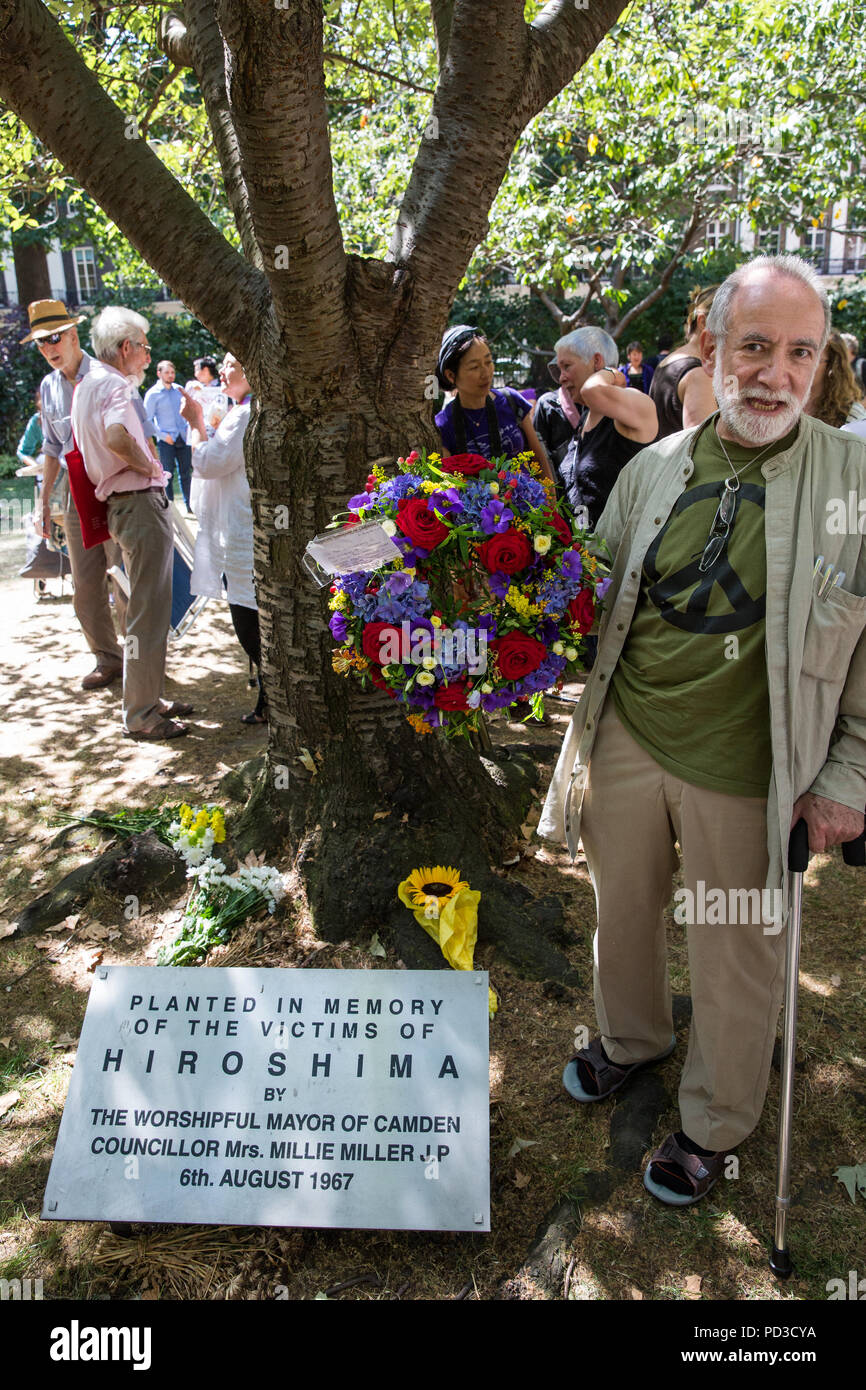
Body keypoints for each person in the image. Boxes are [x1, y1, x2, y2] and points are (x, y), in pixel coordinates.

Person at [539, 254, 866, 1206]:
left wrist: (848, 775)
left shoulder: (855, 485)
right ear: (712, 350)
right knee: (624, 913)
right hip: (629, 737)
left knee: (735, 952)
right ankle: (632, 1038)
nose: (776, 373)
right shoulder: (654, 469)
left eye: (800, 352)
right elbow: (587, 593)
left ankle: (716, 1120)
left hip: (753, 768)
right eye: (755, 347)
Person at [71, 307, 193, 741]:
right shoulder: (114, 385)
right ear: (126, 348)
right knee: (147, 612)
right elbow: (116, 437)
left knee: (145, 610)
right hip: (136, 503)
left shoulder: (87, 385)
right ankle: (141, 714)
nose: (147, 355)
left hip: (122, 506)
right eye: (143, 346)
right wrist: (151, 470)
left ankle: (148, 699)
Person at [22, 299, 128, 689]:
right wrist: (43, 504)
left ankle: (139, 660)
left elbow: (131, 434)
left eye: (54, 338)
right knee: (85, 584)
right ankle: (107, 658)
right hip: (71, 488)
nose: (49, 348)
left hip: (113, 484)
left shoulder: (104, 376)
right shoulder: (48, 387)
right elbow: (51, 448)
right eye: (40, 343)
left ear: (72, 334)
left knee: (125, 576)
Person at [179, 355, 265, 724]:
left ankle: (274, 695)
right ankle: (269, 697)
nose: (224, 370)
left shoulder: (246, 414)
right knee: (250, 611)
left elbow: (210, 463)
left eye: (231, 362)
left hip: (242, 530)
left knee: (247, 616)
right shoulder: (245, 410)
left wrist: (197, 422)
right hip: (244, 524)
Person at [553, 327, 658, 528]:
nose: (561, 378)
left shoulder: (638, 405)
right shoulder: (585, 418)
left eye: (567, 366)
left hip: (620, 555)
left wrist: (610, 372)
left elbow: (593, 390)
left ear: (596, 361)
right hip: (585, 554)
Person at [434, 326, 554, 480]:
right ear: (451, 375)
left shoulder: (512, 400)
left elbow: (539, 459)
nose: (486, 373)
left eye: (488, 361)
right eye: (475, 367)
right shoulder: (443, 425)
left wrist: (551, 501)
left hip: (530, 502)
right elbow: (447, 484)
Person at [649, 285, 719, 438]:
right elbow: (703, 448)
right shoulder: (699, 375)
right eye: (729, 322)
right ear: (702, 322)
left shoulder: (669, 361)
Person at [144, 360, 193, 510]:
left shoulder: (179, 390)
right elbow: (147, 420)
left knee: (186, 473)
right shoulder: (152, 394)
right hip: (166, 440)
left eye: (172, 372)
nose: (170, 375)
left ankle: (189, 505)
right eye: (167, 372)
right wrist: (163, 436)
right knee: (167, 475)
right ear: (159, 374)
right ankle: (169, 506)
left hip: (183, 438)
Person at [805, 330, 866, 428]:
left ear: (832, 367)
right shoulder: (781, 404)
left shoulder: (850, 415)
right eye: (799, 353)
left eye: (811, 358)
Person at [183, 357, 229, 441]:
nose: (195, 374)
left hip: (220, 435)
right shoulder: (193, 387)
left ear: (205, 370)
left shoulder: (223, 386)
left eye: (196, 370)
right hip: (200, 435)